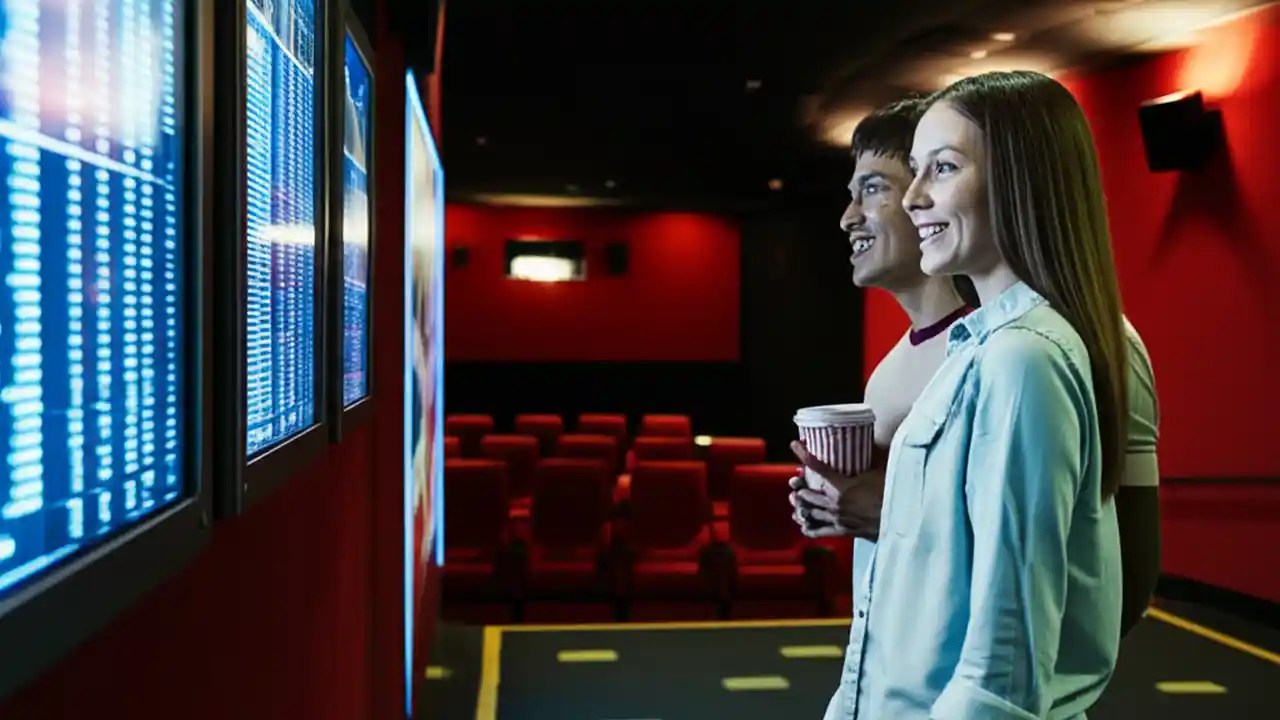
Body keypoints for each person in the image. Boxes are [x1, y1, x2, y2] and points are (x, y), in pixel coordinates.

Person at [819, 70, 1133, 719]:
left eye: (943, 168)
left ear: (1017, 182)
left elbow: (1002, 668)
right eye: (915, 170)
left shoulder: (1023, 359)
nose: (913, 199)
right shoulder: (985, 349)